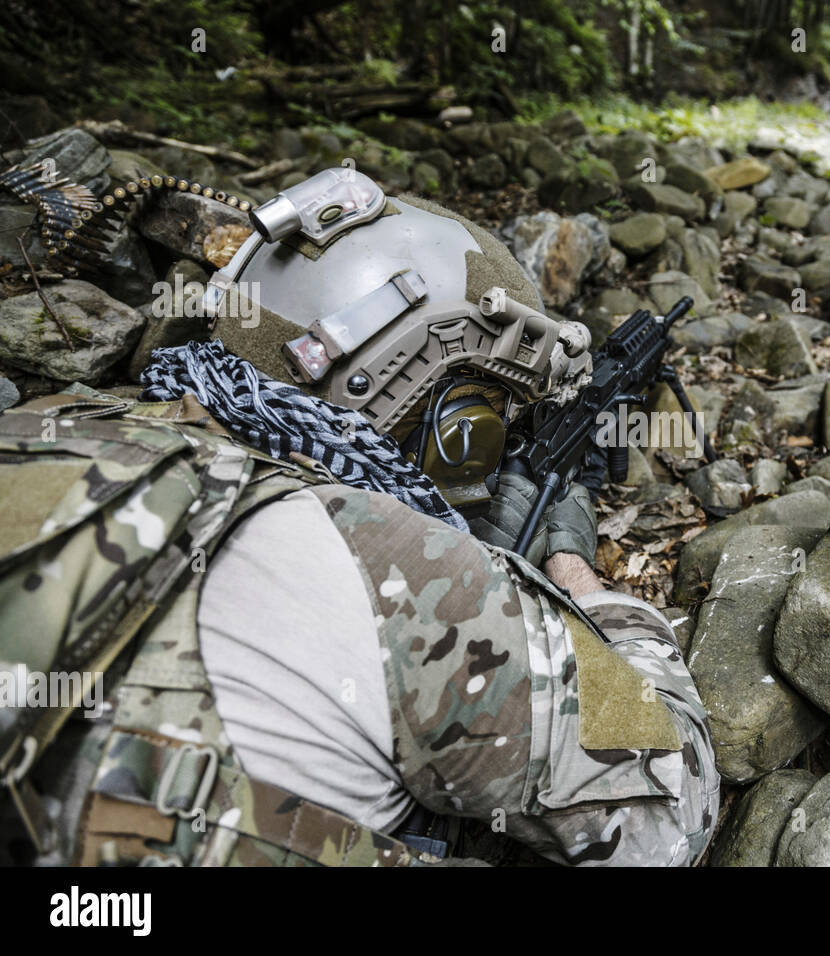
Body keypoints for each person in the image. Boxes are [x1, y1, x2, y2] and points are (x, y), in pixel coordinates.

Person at [0, 169, 718, 866]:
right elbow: (672, 813)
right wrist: (578, 582)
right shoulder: (397, 571)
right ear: (449, 417)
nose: (502, 446)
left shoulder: (60, 419)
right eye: (499, 416)